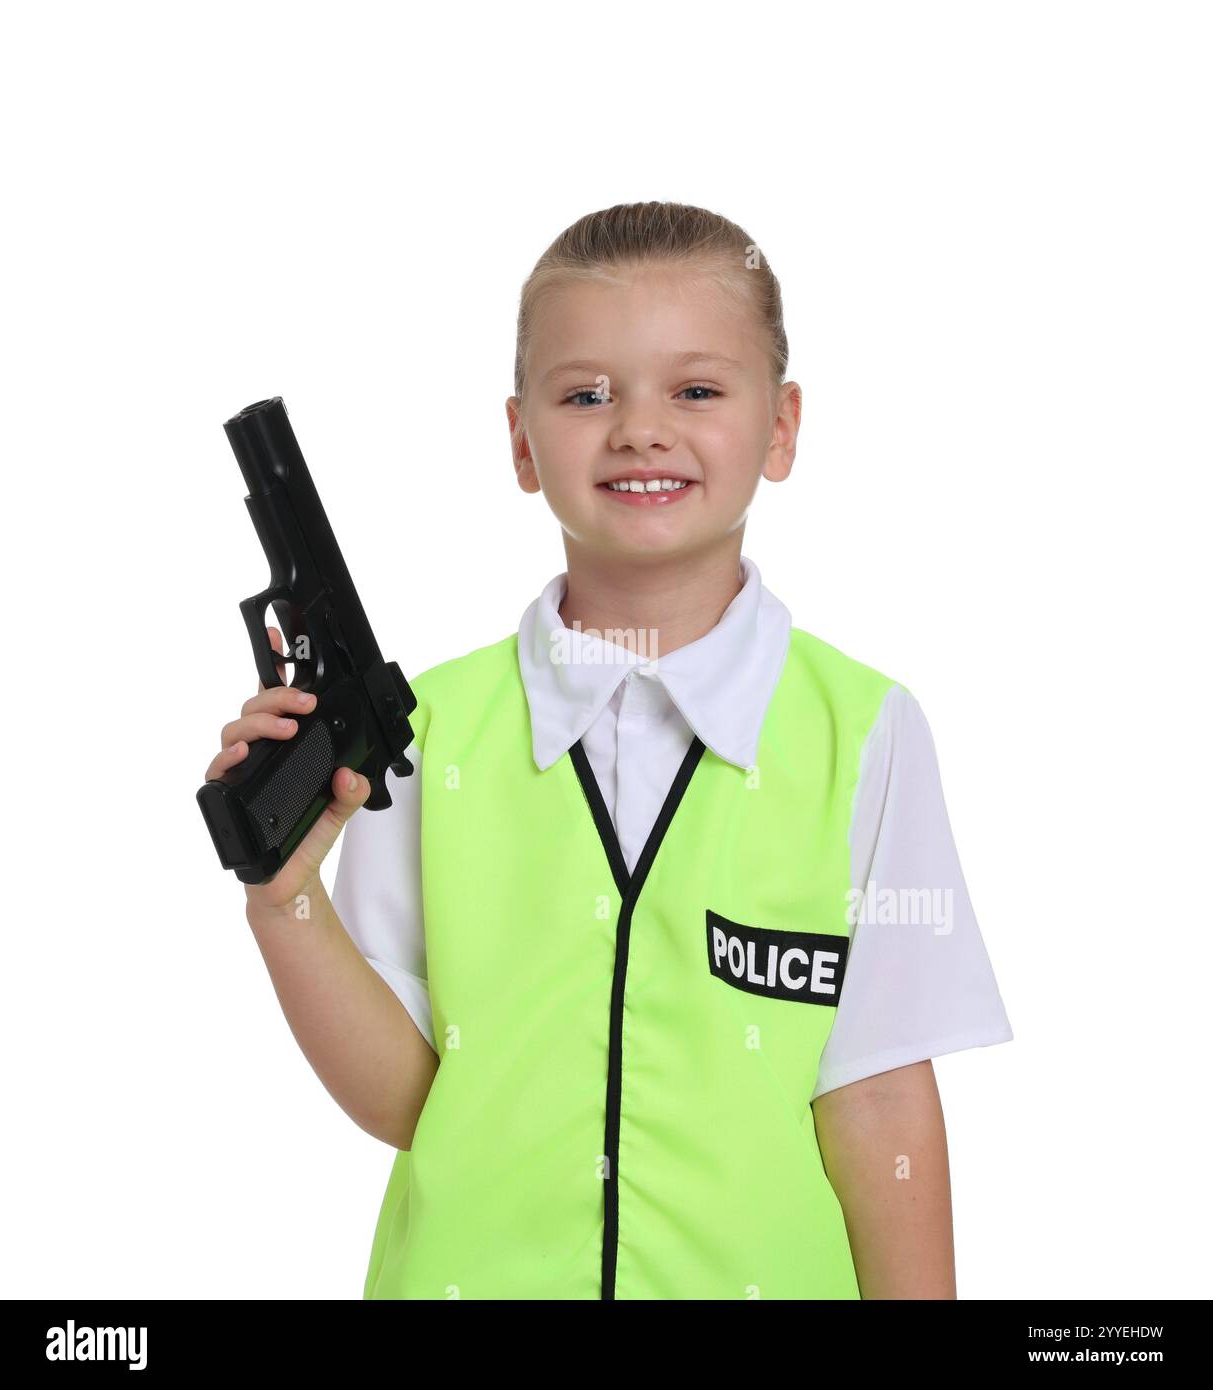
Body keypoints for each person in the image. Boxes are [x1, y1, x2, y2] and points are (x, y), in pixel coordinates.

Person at [205, 200, 1012, 1300]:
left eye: (695, 389)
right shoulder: (424, 736)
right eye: (586, 394)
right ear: (520, 441)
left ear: (779, 429)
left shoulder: (860, 731)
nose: (639, 428)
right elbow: (408, 1096)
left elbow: (876, 1097)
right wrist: (284, 900)